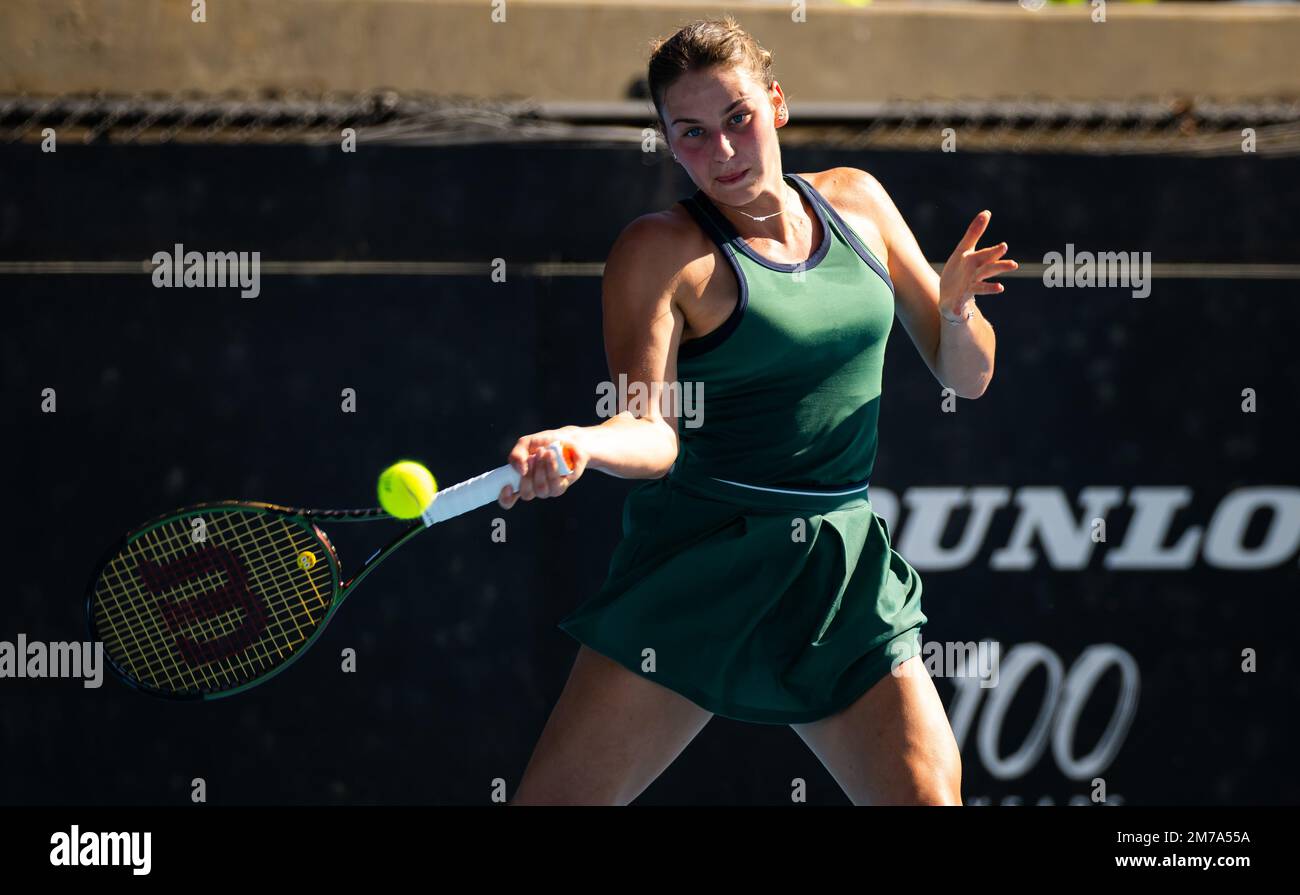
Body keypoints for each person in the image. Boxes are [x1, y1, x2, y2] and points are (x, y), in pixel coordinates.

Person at [499, 16, 1015, 805]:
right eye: (693, 133)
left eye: (737, 117)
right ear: (669, 143)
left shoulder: (860, 204)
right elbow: (649, 429)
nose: (725, 151)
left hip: (838, 569)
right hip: (705, 562)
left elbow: (966, 375)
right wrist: (581, 443)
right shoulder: (658, 252)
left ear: (776, 103)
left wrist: (953, 314)